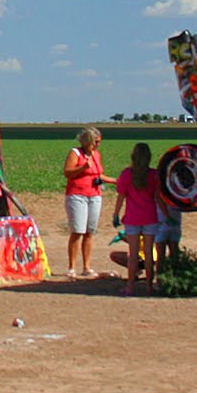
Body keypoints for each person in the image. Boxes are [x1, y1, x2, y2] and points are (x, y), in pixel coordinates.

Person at [111, 143, 161, 294]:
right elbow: (158, 197)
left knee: (132, 254)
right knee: (148, 252)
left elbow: (121, 196)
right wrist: (166, 215)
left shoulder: (127, 174)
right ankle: (150, 286)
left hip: (133, 217)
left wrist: (116, 214)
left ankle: (130, 286)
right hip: (150, 216)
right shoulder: (154, 174)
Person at [63, 126, 104, 279]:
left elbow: (98, 174)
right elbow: (67, 172)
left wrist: (115, 181)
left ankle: (87, 266)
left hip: (94, 195)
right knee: (77, 231)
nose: (98, 145)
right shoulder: (76, 153)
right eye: (96, 142)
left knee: (89, 232)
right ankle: (72, 266)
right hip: (77, 195)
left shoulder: (96, 155)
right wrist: (82, 167)